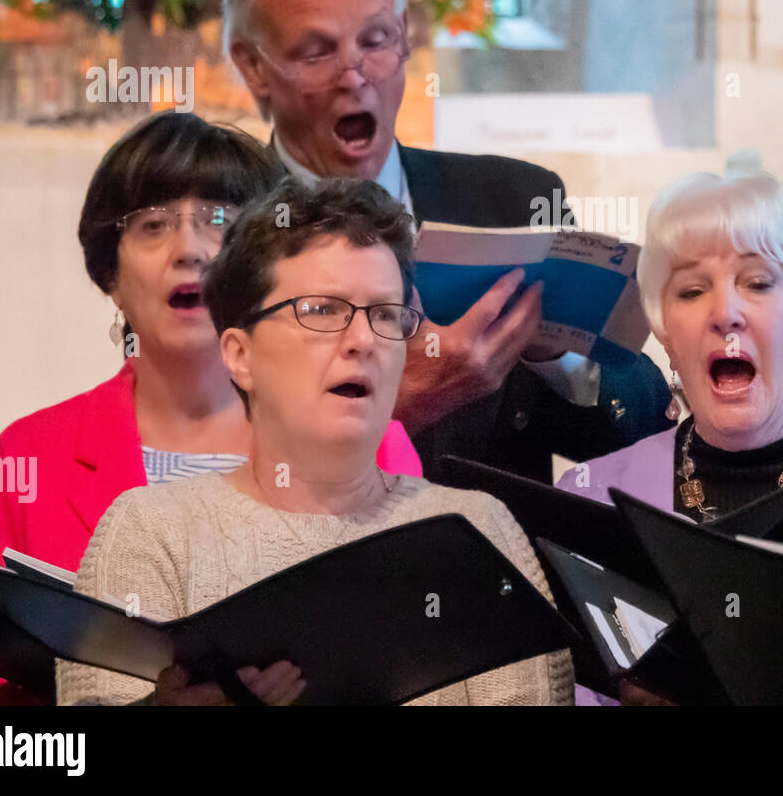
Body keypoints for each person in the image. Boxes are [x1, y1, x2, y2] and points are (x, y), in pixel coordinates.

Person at [57, 177, 573, 705]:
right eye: (323, 311)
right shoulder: (154, 531)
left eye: (385, 315)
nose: (362, 341)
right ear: (239, 354)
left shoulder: (477, 533)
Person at [0, 113, 415, 706]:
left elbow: (421, 663)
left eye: (222, 221)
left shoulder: (375, 444)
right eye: (153, 224)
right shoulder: (29, 455)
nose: (190, 249)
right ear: (110, 275)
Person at [222, 0, 670, 483]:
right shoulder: (223, 232)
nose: (353, 76)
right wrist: (406, 400)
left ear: (405, 35)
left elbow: (643, 428)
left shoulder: (513, 202)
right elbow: (204, 465)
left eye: (375, 40)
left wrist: (554, 356)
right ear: (254, 66)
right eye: (317, 52)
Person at [559, 171, 783, 519]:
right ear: (666, 336)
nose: (725, 314)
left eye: (757, 283)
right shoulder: (591, 498)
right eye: (693, 291)